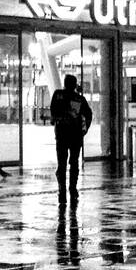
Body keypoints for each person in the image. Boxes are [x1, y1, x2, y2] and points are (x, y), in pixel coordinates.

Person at [50, 74, 92, 202]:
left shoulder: (58, 95)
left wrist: (56, 120)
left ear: (64, 83)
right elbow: (89, 114)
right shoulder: (79, 98)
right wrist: (84, 130)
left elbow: (53, 111)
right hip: (75, 135)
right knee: (74, 162)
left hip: (62, 134)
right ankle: (72, 189)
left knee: (62, 163)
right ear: (74, 85)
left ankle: (62, 190)